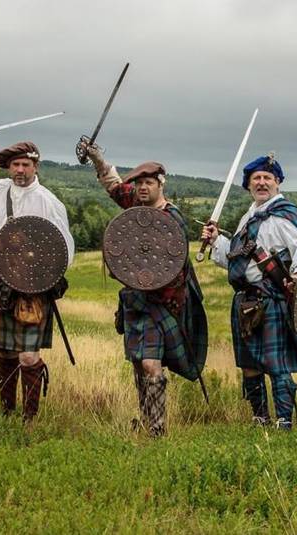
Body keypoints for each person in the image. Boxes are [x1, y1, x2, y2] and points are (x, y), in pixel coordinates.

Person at [80, 143, 207, 437]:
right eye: (138, 183)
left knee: (151, 365)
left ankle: (158, 427)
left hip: (164, 303)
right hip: (136, 302)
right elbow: (113, 185)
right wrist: (98, 158)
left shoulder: (172, 219)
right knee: (139, 364)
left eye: (148, 182)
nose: (142, 188)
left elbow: (172, 266)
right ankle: (146, 417)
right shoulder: (135, 208)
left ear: (161, 184)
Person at [0, 129, 74, 421]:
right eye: (15, 165)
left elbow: (64, 248)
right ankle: (7, 413)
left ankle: (29, 419)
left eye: (25, 165)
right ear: (9, 168)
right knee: (6, 352)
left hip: (33, 287)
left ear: (36, 166)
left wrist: (45, 280)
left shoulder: (49, 202)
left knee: (28, 356)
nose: (20, 170)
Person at [201, 154, 297, 430]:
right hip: (245, 299)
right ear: (249, 185)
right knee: (250, 363)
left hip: (271, 297)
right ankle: (260, 417)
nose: (262, 183)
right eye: (256, 179)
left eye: (267, 178)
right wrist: (217, 241)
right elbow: (235, 258)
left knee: (277, 364)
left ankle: (284, 421)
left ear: (278, 183)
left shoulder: (286, 215)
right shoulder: (247, 217)